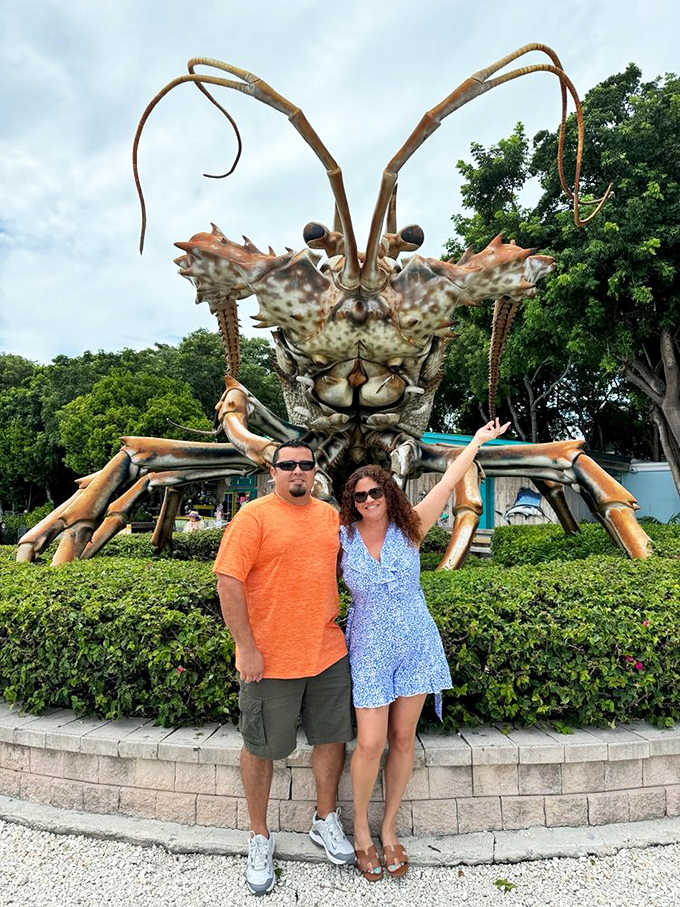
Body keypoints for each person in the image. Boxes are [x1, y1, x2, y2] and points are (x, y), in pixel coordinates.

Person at [339, 418, 509, 881]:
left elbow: (450, 480)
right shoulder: (341, 538)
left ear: (388, 493)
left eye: (376, 492)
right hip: (370, 647)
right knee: (369, 742)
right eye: (360, 495)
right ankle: (360, 830)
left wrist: (476, 442)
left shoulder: (410, 527)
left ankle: (389, 827)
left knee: (401, 739)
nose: (369, 500)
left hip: (415, 642)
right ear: (351, 501)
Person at [213, 439, 355, 896]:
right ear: (271, 472)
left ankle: (324, 819)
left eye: (305, 465)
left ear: (315, 472)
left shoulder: (330, 517)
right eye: (288, 464)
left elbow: (347, 570)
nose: (298, 471)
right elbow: (228, 582)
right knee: (260, 747)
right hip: (269, 660)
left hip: (327, 653)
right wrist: (246, 647)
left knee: (331, 738)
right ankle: (259, 836)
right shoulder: (253, 517)